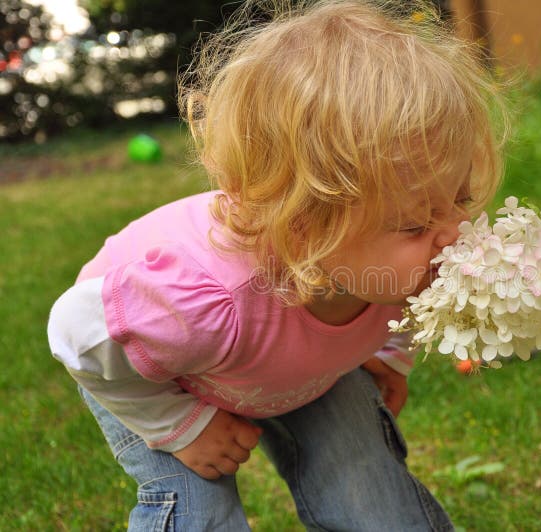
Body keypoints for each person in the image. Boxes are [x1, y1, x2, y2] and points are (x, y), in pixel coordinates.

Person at [47, 0, 505, 529]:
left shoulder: (395, 270)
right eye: (415, 224)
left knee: (368, 489)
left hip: (278, 363)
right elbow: (75, 333)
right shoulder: (210, 298)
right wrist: (179, 426)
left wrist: (388, 353)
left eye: (462, 198)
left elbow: (408, 302)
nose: (455, 234)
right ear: (304, 229)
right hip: (159, 371)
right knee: (200, 506)